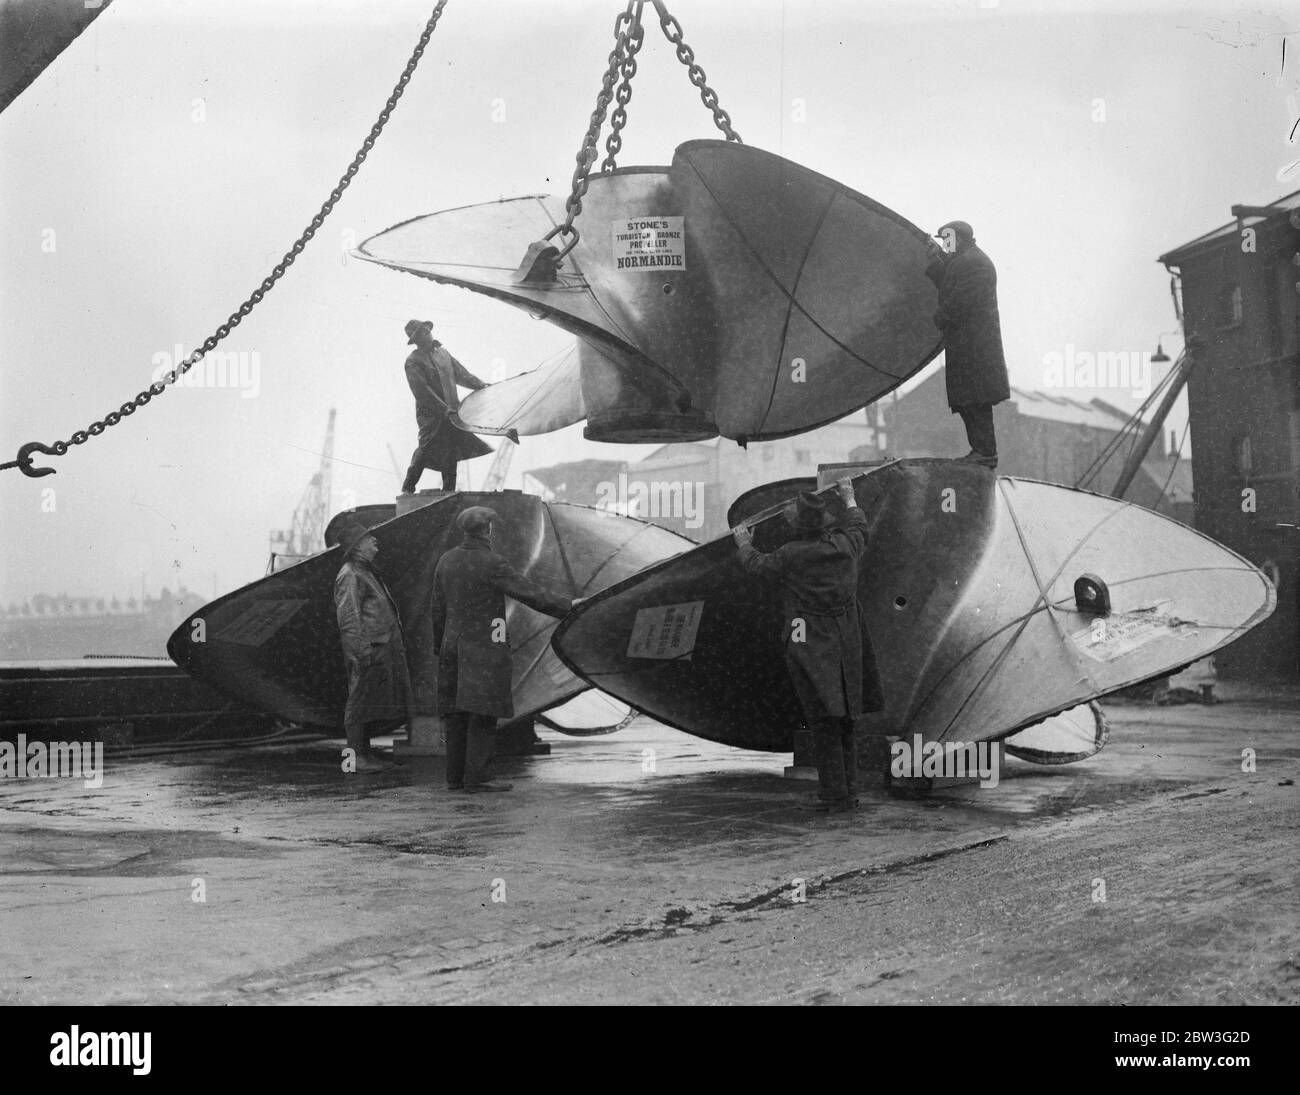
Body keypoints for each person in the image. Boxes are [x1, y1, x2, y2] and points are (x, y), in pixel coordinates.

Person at [732, 480, 884, 813]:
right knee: (846, 721)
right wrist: (849, 497)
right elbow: (860, 525)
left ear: (799, 526)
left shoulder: (791, 554)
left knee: (823, 722)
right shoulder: (846, 544)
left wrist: (743, 542)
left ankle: (833, 797)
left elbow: (756, 565)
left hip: (810, 644)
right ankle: (850, 793)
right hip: (847, 645)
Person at [431, 506, 578, 792]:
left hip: (452, 648)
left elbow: (437, 610)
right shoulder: (491, 562)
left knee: (457, 715)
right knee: (483, 714)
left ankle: (455, 779)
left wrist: (441, 645)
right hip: (484, 648)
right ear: (487, 530)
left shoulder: (446, 561)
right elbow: (530, 593)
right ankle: (478, 778)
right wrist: (568, 607)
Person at [925, 220, 1010, 469]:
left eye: (947, 239)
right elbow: (950, 281)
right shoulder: (966, 260)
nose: (946, 245)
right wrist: (936, 260)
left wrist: (940, 317)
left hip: (975, 348)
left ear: (959, 238)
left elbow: (960, 300)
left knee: (975, 401)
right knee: (968, 402)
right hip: (968, 346)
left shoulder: (974, 263)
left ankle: (985, 451)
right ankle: (981, 451)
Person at [334, 519, 412, 773]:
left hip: (378, 648)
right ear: (357, 547)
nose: (375, 542)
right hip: (367, 650)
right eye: (369, 539)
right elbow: (349, 619)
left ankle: (364, 754)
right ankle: (356, 759)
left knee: (366, 702)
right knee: (357, 702)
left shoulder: (364, 571)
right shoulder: (350, 575)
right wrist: (361, 651)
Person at [400, 318, 493, 494]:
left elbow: (462, 374)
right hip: (430, 415)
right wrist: (443, 409)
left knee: (451, 450)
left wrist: (480, 384)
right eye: (421, 332)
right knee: (425, 448)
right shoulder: (413, 361)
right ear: (416, 339)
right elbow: (421, 390)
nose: (427, 334)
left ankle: (448, 491)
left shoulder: (443, 354)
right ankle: (408, 488)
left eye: (427, 330)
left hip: (452, 411)